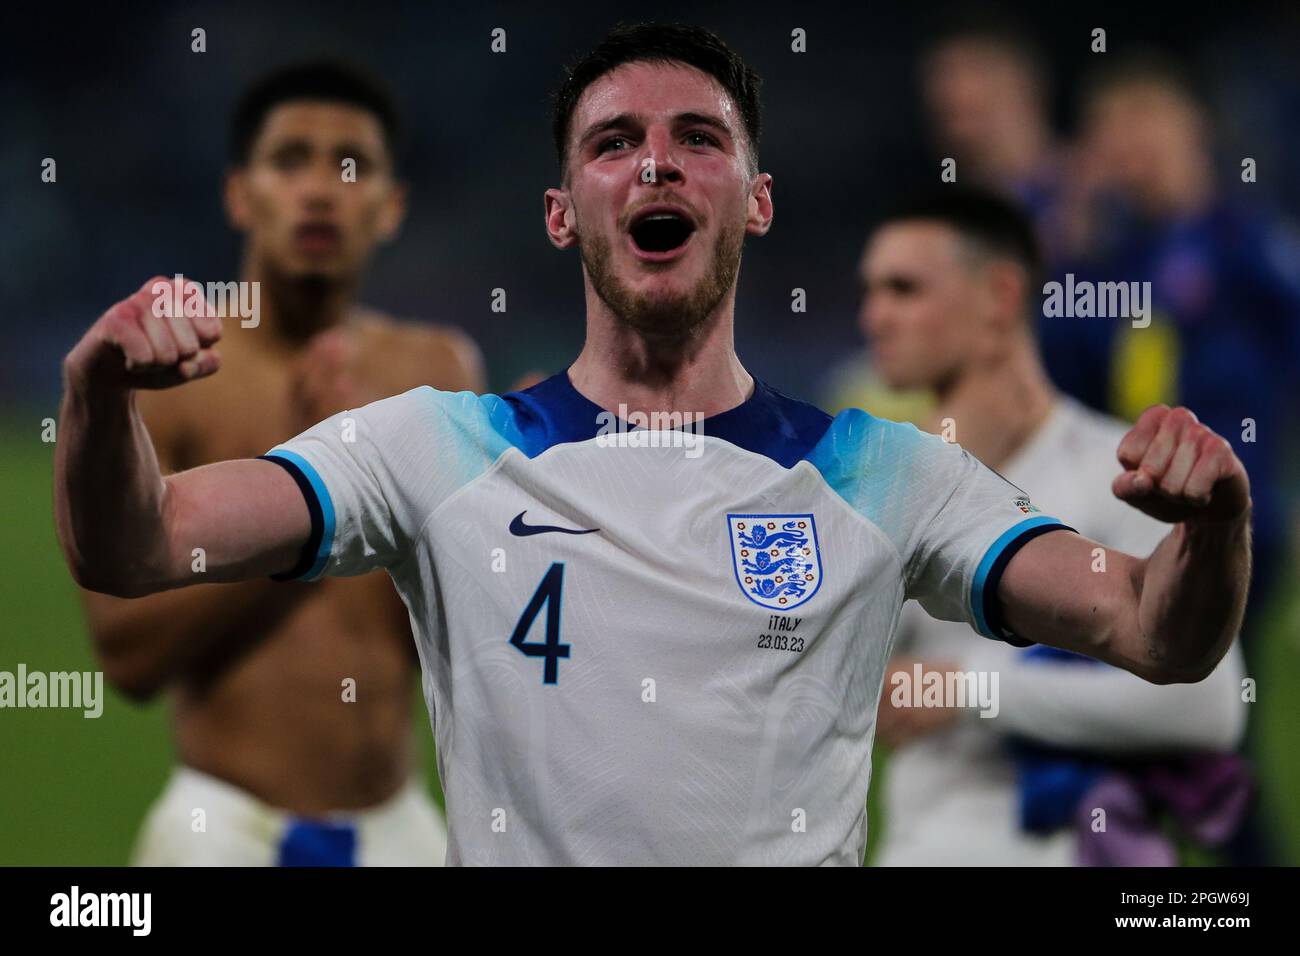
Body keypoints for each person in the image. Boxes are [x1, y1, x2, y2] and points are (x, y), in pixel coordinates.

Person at [54, 24, 1251, 866]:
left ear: (757, 198)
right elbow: (143, 544)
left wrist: (1213, 527)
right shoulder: (438, 445)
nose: (658, 161)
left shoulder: (888, 472)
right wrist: (98, 398)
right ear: (563, 210)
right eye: (615, 140)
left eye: (698, 137)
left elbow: (1155, 626)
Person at [78, 61, 483, 866]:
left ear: (391, 206)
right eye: (290, 159)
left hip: (402, 827)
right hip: (223, 829)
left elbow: (457, 638)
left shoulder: (438, 371)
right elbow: (128, 657)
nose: (321, 189)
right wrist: (312, 489)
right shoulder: (175, 369)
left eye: (352, 165)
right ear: (240, 193)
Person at [857, 187, 1247, 866]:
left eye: (904, 289)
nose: (875, 316)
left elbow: (1210, 709)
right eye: (871, 291)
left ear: (999, 298)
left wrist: (967, 688)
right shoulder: (881, 483)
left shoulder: (1121, 470)